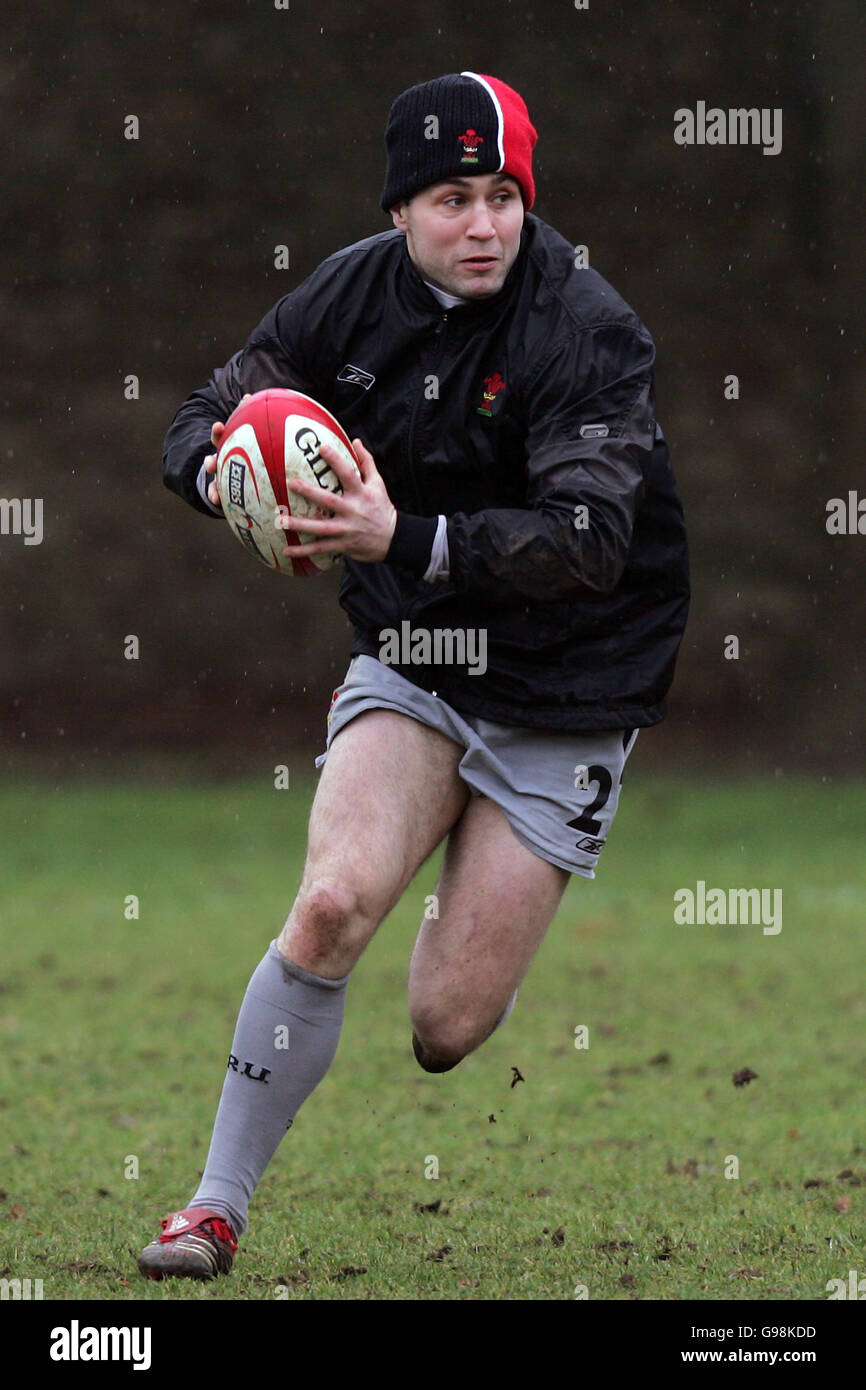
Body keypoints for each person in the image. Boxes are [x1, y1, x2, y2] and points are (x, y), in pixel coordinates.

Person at [139, 71, 689, 1280]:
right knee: (332, 904)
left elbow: (590, 544)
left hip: (571, 688)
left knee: (446, 1026)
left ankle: (489, 845)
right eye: (452, 197)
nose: (484, 224)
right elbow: (203, 413)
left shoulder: (585, 327)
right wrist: (230, 480)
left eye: (503, 196)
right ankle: (211, 1208)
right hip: (419, 660)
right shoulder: (347, 292)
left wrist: (409, 537)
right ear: (400, 209)